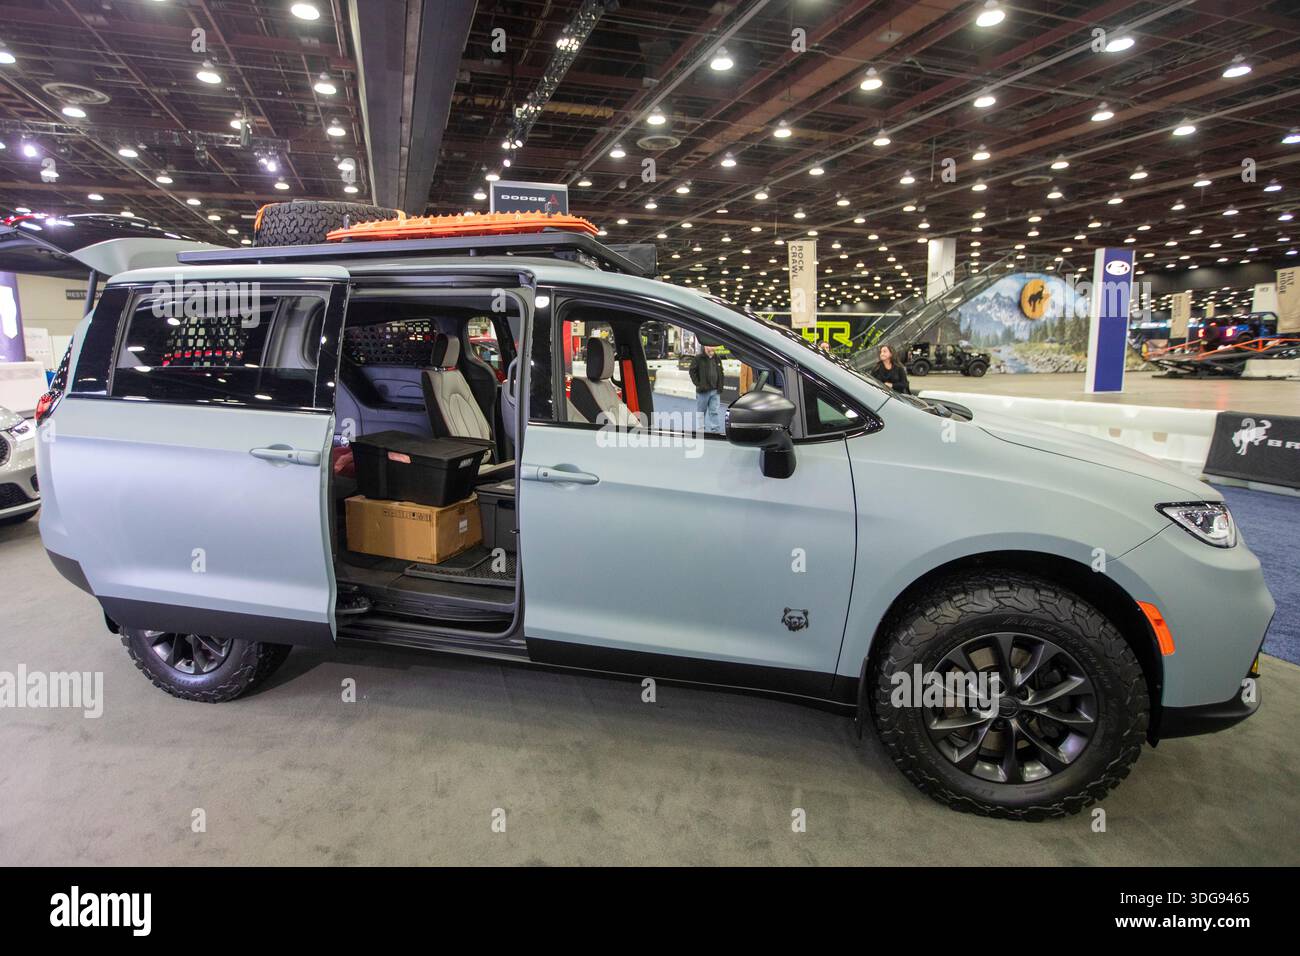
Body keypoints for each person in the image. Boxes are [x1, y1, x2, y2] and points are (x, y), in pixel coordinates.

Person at [689, 344, 725, 433]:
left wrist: (720, 386)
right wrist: (698, 384)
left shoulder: (717, 358)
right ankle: (701, 430)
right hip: (703, 392)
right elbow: (692, 371)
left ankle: (715, 430)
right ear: (705, 347)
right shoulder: (698, 358)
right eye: (710, 346)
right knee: (701, 412)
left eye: (714, 346)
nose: (712, 348)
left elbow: (721, 373)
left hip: (715, 391)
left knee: (714, 412)